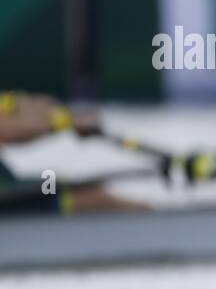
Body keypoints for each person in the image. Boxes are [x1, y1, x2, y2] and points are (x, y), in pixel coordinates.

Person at [0, 91, 145, 213]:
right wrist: (62, 122)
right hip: (6, 195)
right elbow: (6, 130)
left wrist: (63, 113)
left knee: (88, 187)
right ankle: (151, 224)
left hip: (8, 185)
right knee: (90, 196)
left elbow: (25, 105)